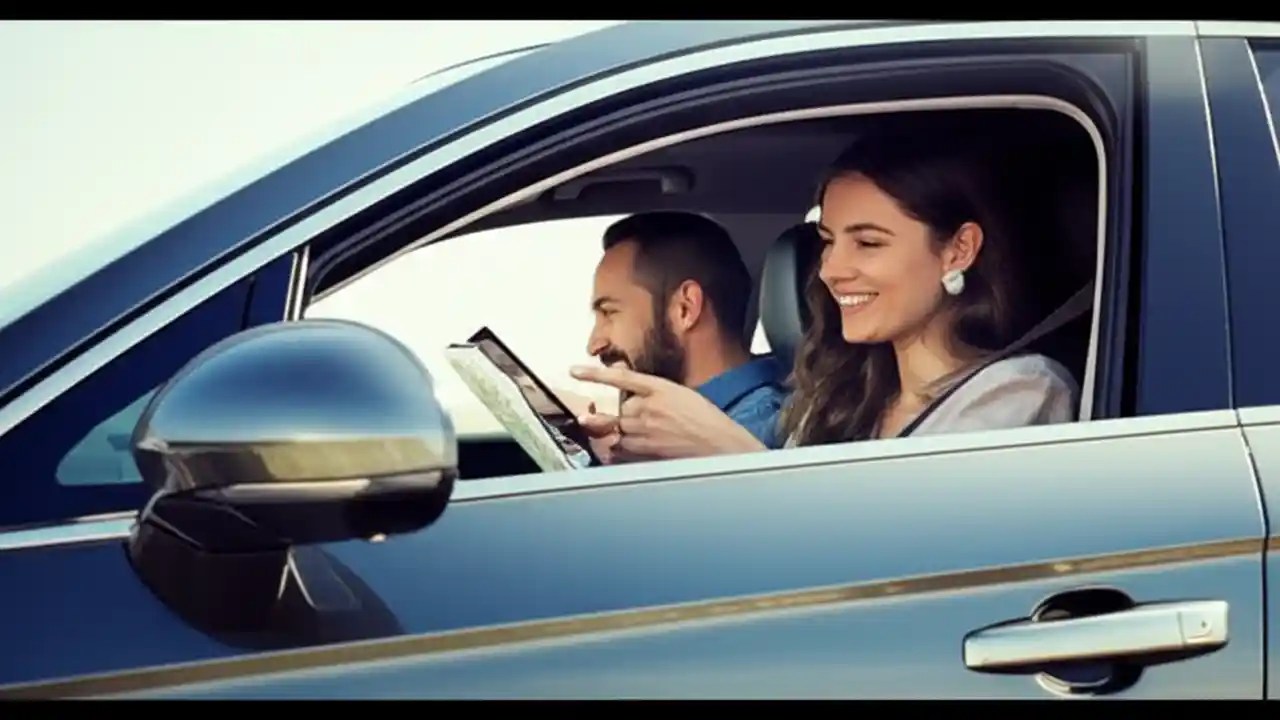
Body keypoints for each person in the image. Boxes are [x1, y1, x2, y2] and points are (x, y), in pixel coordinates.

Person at [570, 123, 1079, 461]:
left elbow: (913, 562)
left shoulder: (1017, 393)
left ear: (958, 250)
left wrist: (730, 455)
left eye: (868, 243)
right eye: (829, 241)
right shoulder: (837, 397)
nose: (832, 270)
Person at [566, 211, 788, 462]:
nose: (594, 345)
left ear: (685, 309)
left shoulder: (757, 428)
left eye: (609, 312)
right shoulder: (705, 428)